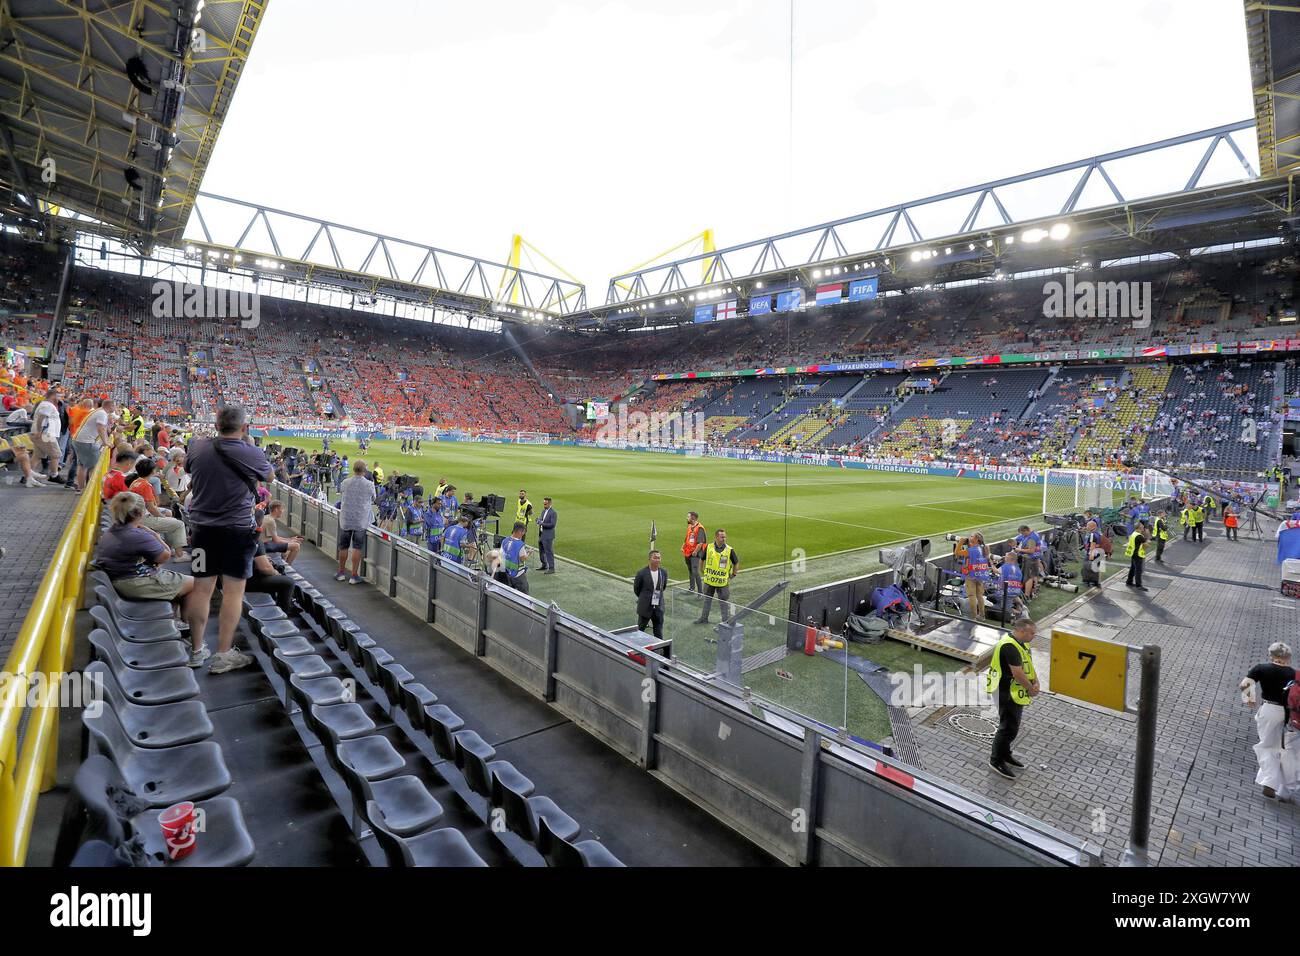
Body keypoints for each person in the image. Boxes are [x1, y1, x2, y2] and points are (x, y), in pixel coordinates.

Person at [183, 405, 273, 674]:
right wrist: (250, 446)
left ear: (216, 424)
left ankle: (197, 651)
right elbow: (269, 476)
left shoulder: (198, 447)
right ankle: (223, 655)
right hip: (237, 532)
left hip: (201, 531)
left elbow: (189, 468)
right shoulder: (250, 451)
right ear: (244, 427)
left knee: (201, 589)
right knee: (234, 592)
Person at [94, 491, 201, 625]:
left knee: (179, 583)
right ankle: (186, 627)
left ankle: (175, 622)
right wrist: (154, 535)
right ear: (140, 513)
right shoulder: (138, 535)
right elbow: (164, 556)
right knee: (196, 584)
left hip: (121, 579)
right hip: (133, 583)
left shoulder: (112, 531)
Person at [1239, 642, 1298, 801]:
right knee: (1287, 750)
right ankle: (1286, 787)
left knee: (1268, 746)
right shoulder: (1294, 674)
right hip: (1290, 715)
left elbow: (1245, 684)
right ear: (1289, 657)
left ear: (1271, 655)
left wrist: (1250, 699)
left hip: (1269, 711)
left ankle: (1270, 783)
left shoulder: (1261, 668)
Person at [986, 619, 1040, 779]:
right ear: (1022, 631)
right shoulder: (1009, 645)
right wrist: (1031, 689)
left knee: (1012, 725)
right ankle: (996, 761)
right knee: (1008, 727)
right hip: (1005, 690)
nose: (1034, 636)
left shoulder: (1023, 644)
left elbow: (1028, 664)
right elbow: (1017, 672)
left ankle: (1005, 755)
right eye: (1032, 633)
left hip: (1015, 690)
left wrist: (1036, 681)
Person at [127, 458, 188, 557]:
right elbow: (151, 508)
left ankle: (168, 549)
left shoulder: (136, 482)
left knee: (169, 515)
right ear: (152, 471)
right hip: (143, 518)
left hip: (135, 515)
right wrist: (162, 517)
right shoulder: (146, 485)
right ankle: (180, 555)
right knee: (179, 524)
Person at [336, 459, 376, 584]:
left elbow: (342, 491)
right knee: (357, 547)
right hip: (360, 521)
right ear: (364, 470)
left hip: (346, 519)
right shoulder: (369, 484)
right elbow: (374, 498)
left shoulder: (346, 482)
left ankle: (341, 573)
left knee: (343, 546)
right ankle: (353, 575)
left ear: (353, 470)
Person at [695, 528, 738, 625]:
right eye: (722, 537)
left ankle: (725, 621)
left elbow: (736, 562)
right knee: (707, 600)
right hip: (709, 581)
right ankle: (704, 618)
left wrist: (734, 574)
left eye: (725, 537)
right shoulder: (709, 547)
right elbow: (702, 559)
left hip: (722, 583)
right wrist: (701, 570)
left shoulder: (729, 550)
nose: (724, 539)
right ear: (716, 537)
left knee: (723, 602)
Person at [28, 383, 65, 483]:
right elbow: (41, 418)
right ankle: (54, 475)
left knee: (37, 456)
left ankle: (27, 476)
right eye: (58, 396)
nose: (60, 398)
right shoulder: (48, 405)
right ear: (53, 396)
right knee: (56, 454)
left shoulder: (45, 404)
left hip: (44, 433)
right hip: (46, 434)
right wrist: (40, 431)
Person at [633, 549, 668, 639]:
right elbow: (637, 590)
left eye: (659, 558)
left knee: (658, 632)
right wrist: (644, 598)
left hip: (658, 608)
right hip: (645, 607)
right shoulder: (641, 573)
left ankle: (660, 651)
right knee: (640, 630)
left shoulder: (663, 572)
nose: (657, 560)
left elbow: (662, 587)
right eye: (655, 558)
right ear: (650, 559)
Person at [260, 500, 303, 564]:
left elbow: (275, 537)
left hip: (263, 543)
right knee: (296, 546)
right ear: (276, 509)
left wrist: (290, 539)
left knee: (286, 550)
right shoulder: (271, 521)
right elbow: (276, 540)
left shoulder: (267, 517)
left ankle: (282, 564)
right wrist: (291, 541)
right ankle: (287, 567)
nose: (283, 511)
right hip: (264, 545)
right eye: (282, 509)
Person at [962, 531, 990, 619]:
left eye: (971, 536)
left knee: (972, 595)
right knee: (980, 596)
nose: (970, 537)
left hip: (971, 574)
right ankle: (982, 615)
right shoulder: (985, 548)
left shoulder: (971, 550)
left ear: (977, 539)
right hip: (981, 574)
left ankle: (973, 616)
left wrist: (960, 544)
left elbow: (965, 560)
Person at [1013, 525, 1044, 601]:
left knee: (1028, 578)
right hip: (1035, 558)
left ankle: (1027, 595)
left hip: (1031, 559)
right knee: (1034, 575)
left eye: (1023, 533)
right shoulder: (1034, 533)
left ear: (1026, 530)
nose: (1023, 535)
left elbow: (1031, 551)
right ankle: (1033, 592)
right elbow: (1019, 538)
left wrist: (1019, 550)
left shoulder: (1031, 539)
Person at [500, 522, 531, 594]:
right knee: (525, 593)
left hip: (507, 572)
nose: (523, 534)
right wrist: (529, 553)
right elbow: (523, 558)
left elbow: (501, 554)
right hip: (518, 574)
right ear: (520, 531)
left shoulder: (505, 540)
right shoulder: (520, 544)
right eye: (523, 532)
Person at [682, 511, 707, 593]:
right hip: (688, 551)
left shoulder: (699, 528)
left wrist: (695, 551)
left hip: (695, 553)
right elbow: (687, 537)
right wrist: (683, 546)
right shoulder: (690, 526)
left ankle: (700, 592)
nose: (687, 518)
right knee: (690, 570)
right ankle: (691, 588)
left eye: (688, 516)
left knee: (695, 571)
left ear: (693, 518)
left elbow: (700, 542)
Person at [997, 551, 1024, 621]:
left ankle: (1019, 613)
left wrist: (991, 562)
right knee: (1015, 598)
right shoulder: (1018, 568)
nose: (1004, 558)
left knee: (1005, 608)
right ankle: (1022, 607)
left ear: (1010, 559)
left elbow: (996, 571)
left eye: (1006, 557)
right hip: (1016, 591)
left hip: (1007, 591)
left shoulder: (1005, 566)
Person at [1124, 519, 1149, 591]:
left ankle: (1129, 581)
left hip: (1133, 553)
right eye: (1142, 526)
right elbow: (1146, 545)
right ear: (1139, 528)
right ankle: (1139, 585)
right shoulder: (1139, 536)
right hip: (1138, 555)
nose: (1143, 527)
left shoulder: (1134, 533)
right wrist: (1147, 541)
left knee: (1132, 568)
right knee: (1138, 570)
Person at [1081, 518, 1104, 588]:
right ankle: (1096, 582)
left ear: (1092, 527)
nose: (1086, 527)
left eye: (1087, 526)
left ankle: (1086, 582)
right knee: (1096, 568)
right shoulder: (1098, 533)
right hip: (1098, 553)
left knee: (1087, 567)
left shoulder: (1092, 535)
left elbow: (1092, 545)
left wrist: (1091, 556)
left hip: (1092, 553)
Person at [536, 496, 557, 573]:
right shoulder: (543, 511)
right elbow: (541, 520)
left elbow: (552, 524)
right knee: (541, 550)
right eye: (544, 504)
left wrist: (542, 523)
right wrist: (538, 520)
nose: (544, 505)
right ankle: (544, 564)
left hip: (548, 535)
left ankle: (552, 568)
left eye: (545, 504)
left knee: (548, 551)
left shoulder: (553, 513)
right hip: (542, 534)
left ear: (550, 503)